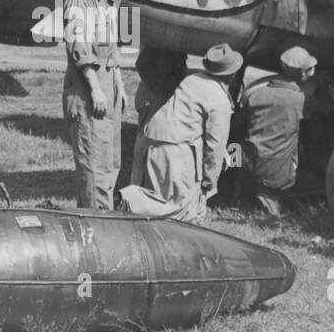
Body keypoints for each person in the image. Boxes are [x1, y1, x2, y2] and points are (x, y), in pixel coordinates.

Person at [120, 43, 242, 223]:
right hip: (175, 148)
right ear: (232, 74)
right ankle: (126, 200)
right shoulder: (220, 100)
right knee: (180, 209)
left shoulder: (191, 79)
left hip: (149, 137)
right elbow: (215, 146)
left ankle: (131, 204)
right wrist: (210, 182)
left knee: (155, 195)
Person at [62, 0, 139, 209]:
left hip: (108, 92)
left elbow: (109, 47)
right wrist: (96, 88)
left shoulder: (106, 0)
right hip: (88, 93)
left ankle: (102, 219)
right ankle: (95, 227)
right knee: (93, 164)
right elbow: (79, 46)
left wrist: (118, 85)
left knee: (109, 162)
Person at [240, 47, 316, 217]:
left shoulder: (254, 92)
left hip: (246, 164)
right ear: (302, 73)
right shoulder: (302, 101)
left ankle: (236, 184)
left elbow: (238, 127)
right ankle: (270, 195)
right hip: (278, 174)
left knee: (236, 143)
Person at [129, 47, 189, 186]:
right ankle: (135, 189)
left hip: (165, 96)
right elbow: (142, 64)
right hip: (153, 98)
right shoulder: (159, 39)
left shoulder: (177, 41)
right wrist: (159, 90)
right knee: (142, 147)